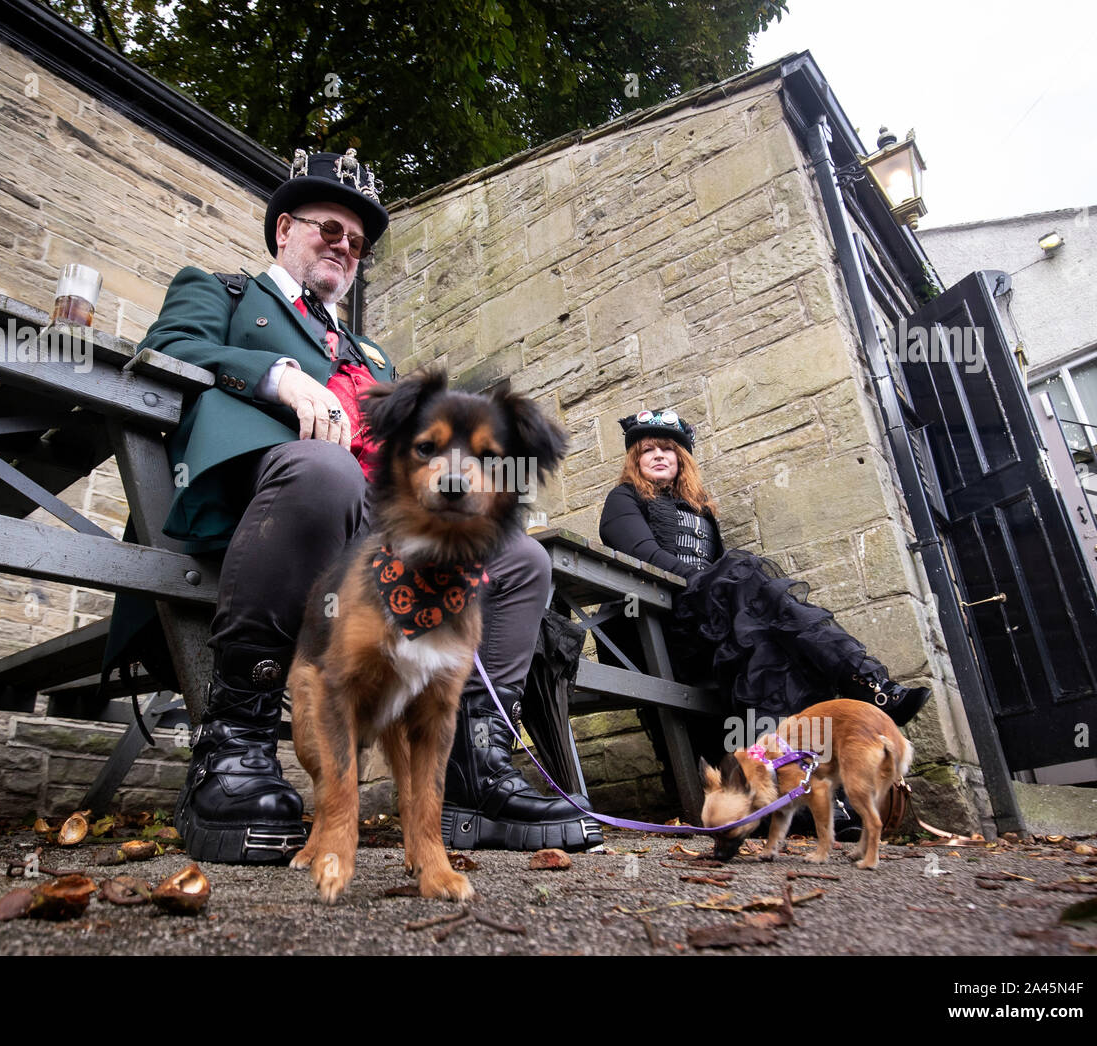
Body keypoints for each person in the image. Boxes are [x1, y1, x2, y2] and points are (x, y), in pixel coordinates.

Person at [130, 148, 599, 863]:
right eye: (329, 230)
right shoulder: (222, 293)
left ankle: (475, 767)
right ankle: (234, 747)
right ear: (285, 228)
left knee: (522, 561)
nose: (345, 247)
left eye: (357, 242)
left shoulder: (373, 358)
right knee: (327, 471)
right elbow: (167, 348)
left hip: (379, 552)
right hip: (272, 518)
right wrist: (280, 379)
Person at [598, 409, 932, 736]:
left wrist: (718, 585)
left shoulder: (701, 509)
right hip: (649, 625)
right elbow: (644, 555)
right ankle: (864, 682)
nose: (659, 455)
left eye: (668, 449)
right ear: (635, 461)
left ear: (681, 458)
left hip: (698, 620)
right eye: (648, 450)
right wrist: (714, 582)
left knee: (775, 652)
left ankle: (802, 761)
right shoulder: (623, 498)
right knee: (744, 574)